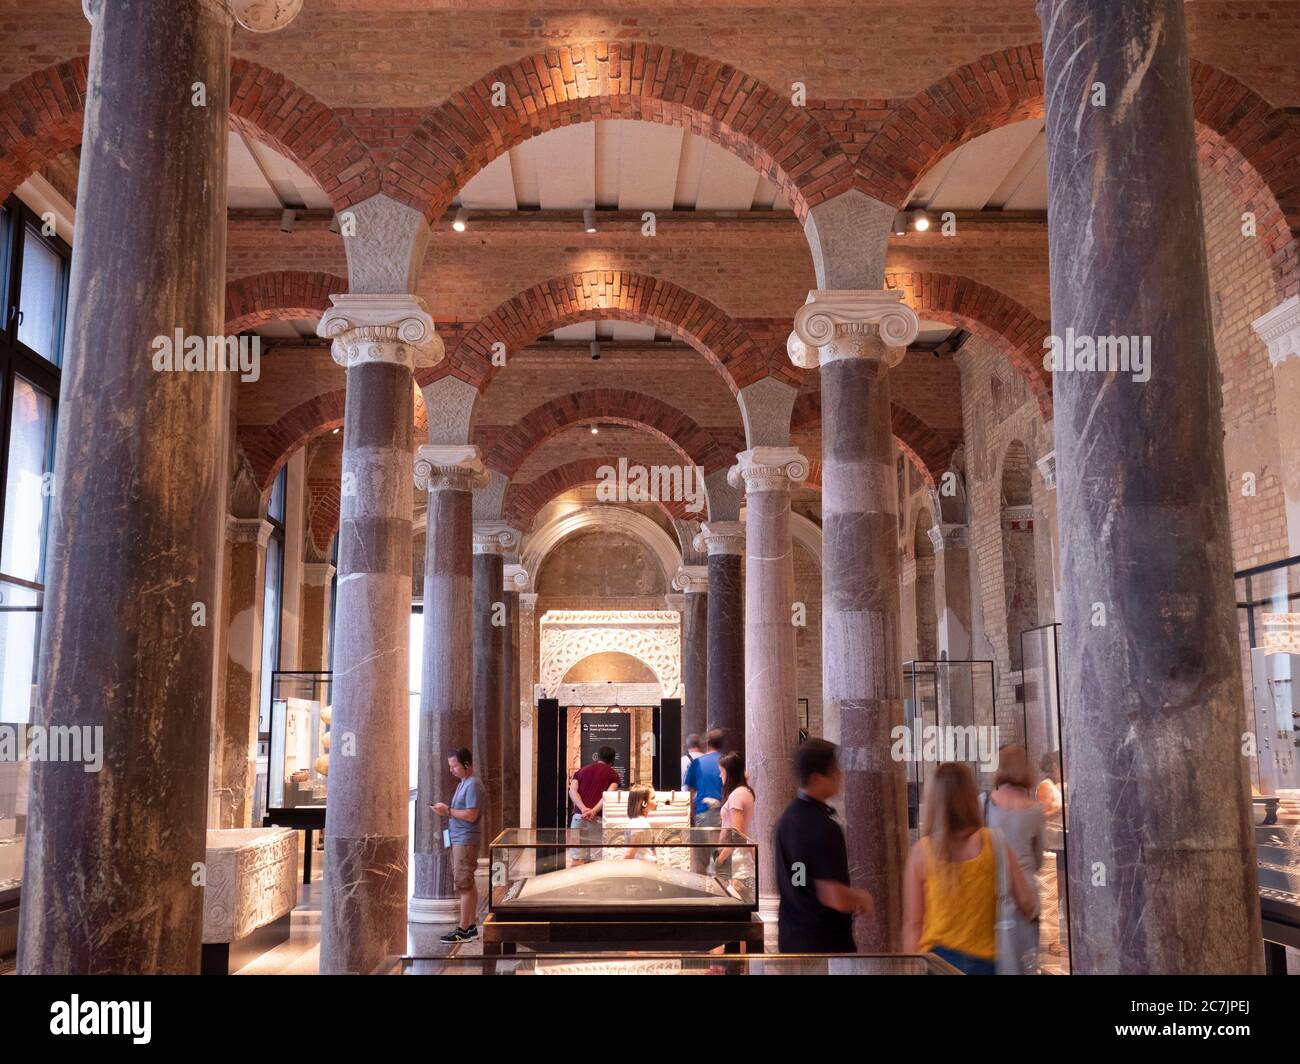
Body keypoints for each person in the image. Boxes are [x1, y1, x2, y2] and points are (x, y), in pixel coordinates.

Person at [903, 761, 1036, 974]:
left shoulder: (921, 853)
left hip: (936, 962)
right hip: (984, 963)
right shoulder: (995, 843)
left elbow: (913, 924)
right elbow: (1028, 904)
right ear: (969, 797)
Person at [773, 739, 875, 953]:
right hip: (824, 945)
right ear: (817, 778)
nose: (840, 775)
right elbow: (833, 895)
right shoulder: (823, 827)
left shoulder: (786, 820)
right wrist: (862, 899)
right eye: (835, 769)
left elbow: (799, 879)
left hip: (793, 939)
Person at [983, 745, 1045, 971]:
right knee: (1025, 961)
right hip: (1026, 893)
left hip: (996, 890)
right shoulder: (1036, 810)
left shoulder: (987, 803)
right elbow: (1038, 860)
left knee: (999, 961)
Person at [432, 747, 482, 944]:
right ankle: (469, 926)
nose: (451, 770)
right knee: (467, 882)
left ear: (466, 765)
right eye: (450, 766)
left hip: (466, 839)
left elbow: (471, 815)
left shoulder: (473, 785)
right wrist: (447, 811)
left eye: (454, 766)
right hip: (459, 837)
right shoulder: (464, 783)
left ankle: (463, 929)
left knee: (463, 884)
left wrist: (448, 811)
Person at [568, 745, 620, 865]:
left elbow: (572, 791)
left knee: (577, 857)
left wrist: (583, 809)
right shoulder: (613, 775)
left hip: (578, 817)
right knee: (596, 859)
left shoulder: (581, 771)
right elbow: (607, 796)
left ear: (598, 757)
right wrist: (593, 811)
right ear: (612, 761)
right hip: (597, 819)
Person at [715, 751, 755, 878]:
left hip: (736, 857)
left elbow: (737, 834)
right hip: (736, 855)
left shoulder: (737, 795)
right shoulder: (744, 791)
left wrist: (720, 859)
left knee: (738, 896)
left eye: (721, 771)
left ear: (729, 772)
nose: (720, 775)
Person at [684, 729, 724, 826]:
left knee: (702, 841)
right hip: (723, 811)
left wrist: (692, 814)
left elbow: (691, 792)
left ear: (707, 743)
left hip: (702, 811)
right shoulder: (726, 762)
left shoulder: (696, 763)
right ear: (722, 744)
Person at [624, 784, 657, 861]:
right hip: (642, 868)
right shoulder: (640, 824)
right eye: (652, 798)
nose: (656, 801)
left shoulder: (639, 822)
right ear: (643, 803)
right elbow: (629, 854)